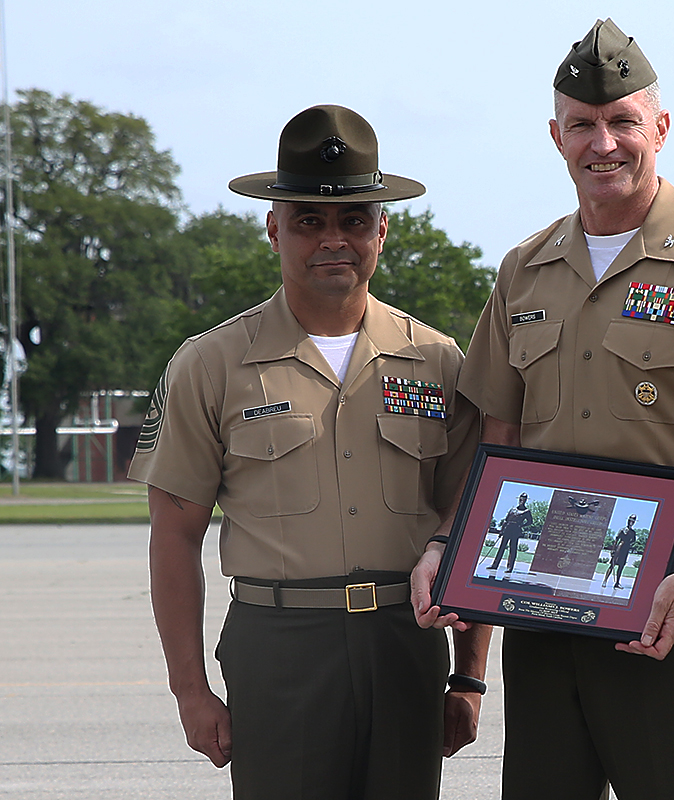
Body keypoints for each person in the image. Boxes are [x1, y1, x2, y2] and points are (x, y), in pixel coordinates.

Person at [411, 18, 674, 800]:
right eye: (583, 125)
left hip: (669, 597)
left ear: (660, 127)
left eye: (623, 121)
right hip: (539, 600)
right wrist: (448, 550)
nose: (605, 143)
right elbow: (500, 445)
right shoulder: (524, 270)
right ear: (555, 136)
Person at [128, 105, 487, 800]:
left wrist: (468, 676)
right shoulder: (212, 364)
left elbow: (470, 520)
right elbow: (174, 535)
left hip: (404, 642)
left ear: (382, 230)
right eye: (309, 221)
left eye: (354, 220)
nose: (333, 240)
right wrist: (189, 690)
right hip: (280, 645)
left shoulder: (438, 360)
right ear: (273, 229)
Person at [489, 491, 534, 574]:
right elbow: (506, 520)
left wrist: (521, 525)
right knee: (501, 548)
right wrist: (501, 531)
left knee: (513, 549)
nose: (522, 500)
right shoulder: (513, 509)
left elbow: (530, 522)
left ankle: (510, 567)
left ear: (526, 500)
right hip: (507, 530)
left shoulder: (526, 511)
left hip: (515, 531)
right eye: (521, 498)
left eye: (524, 499)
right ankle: (495, 565)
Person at [602, 514, 638, 588]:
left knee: (621, 566)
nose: (631, 522)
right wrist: (613, 550)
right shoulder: (622, 529)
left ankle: (617, 583)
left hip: (626, 549)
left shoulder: (633, 532)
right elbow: (616, 540)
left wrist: (629, 545)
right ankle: (605, 581)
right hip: (619, 548)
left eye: (633, 521)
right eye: (630, 520)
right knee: (612, 565)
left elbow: (633, 540)